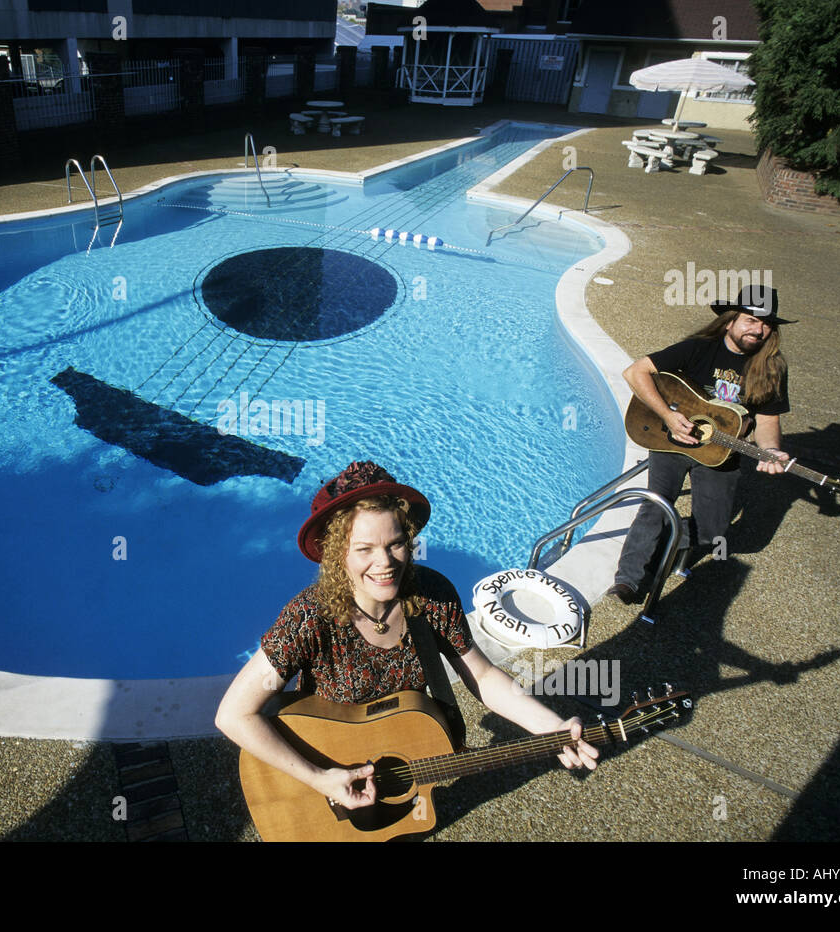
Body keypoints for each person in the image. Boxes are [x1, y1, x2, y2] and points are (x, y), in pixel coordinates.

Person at [215, 460, 598, 812]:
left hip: (400, 757)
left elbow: (480, 676)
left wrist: (551, 727)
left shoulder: (430, 596)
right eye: (364, 549)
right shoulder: (310, 617)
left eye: (395, 543)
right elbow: (233, 715)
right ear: (337, 554)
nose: (385, 563)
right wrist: (320, 779)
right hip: (329, 767)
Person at [607, 284, 794, 605]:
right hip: (672, 439)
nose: (759, 330)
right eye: (751, 320)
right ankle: (630, 579)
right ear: (730, 321)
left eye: (766, 324)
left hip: (721, 452)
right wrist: (667, 415)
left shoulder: (772, 368)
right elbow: (635, 372)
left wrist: (772, 450)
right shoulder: (698, 348)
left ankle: (663, 538)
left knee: (713, 532)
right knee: (656, 503)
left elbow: (767, 422)